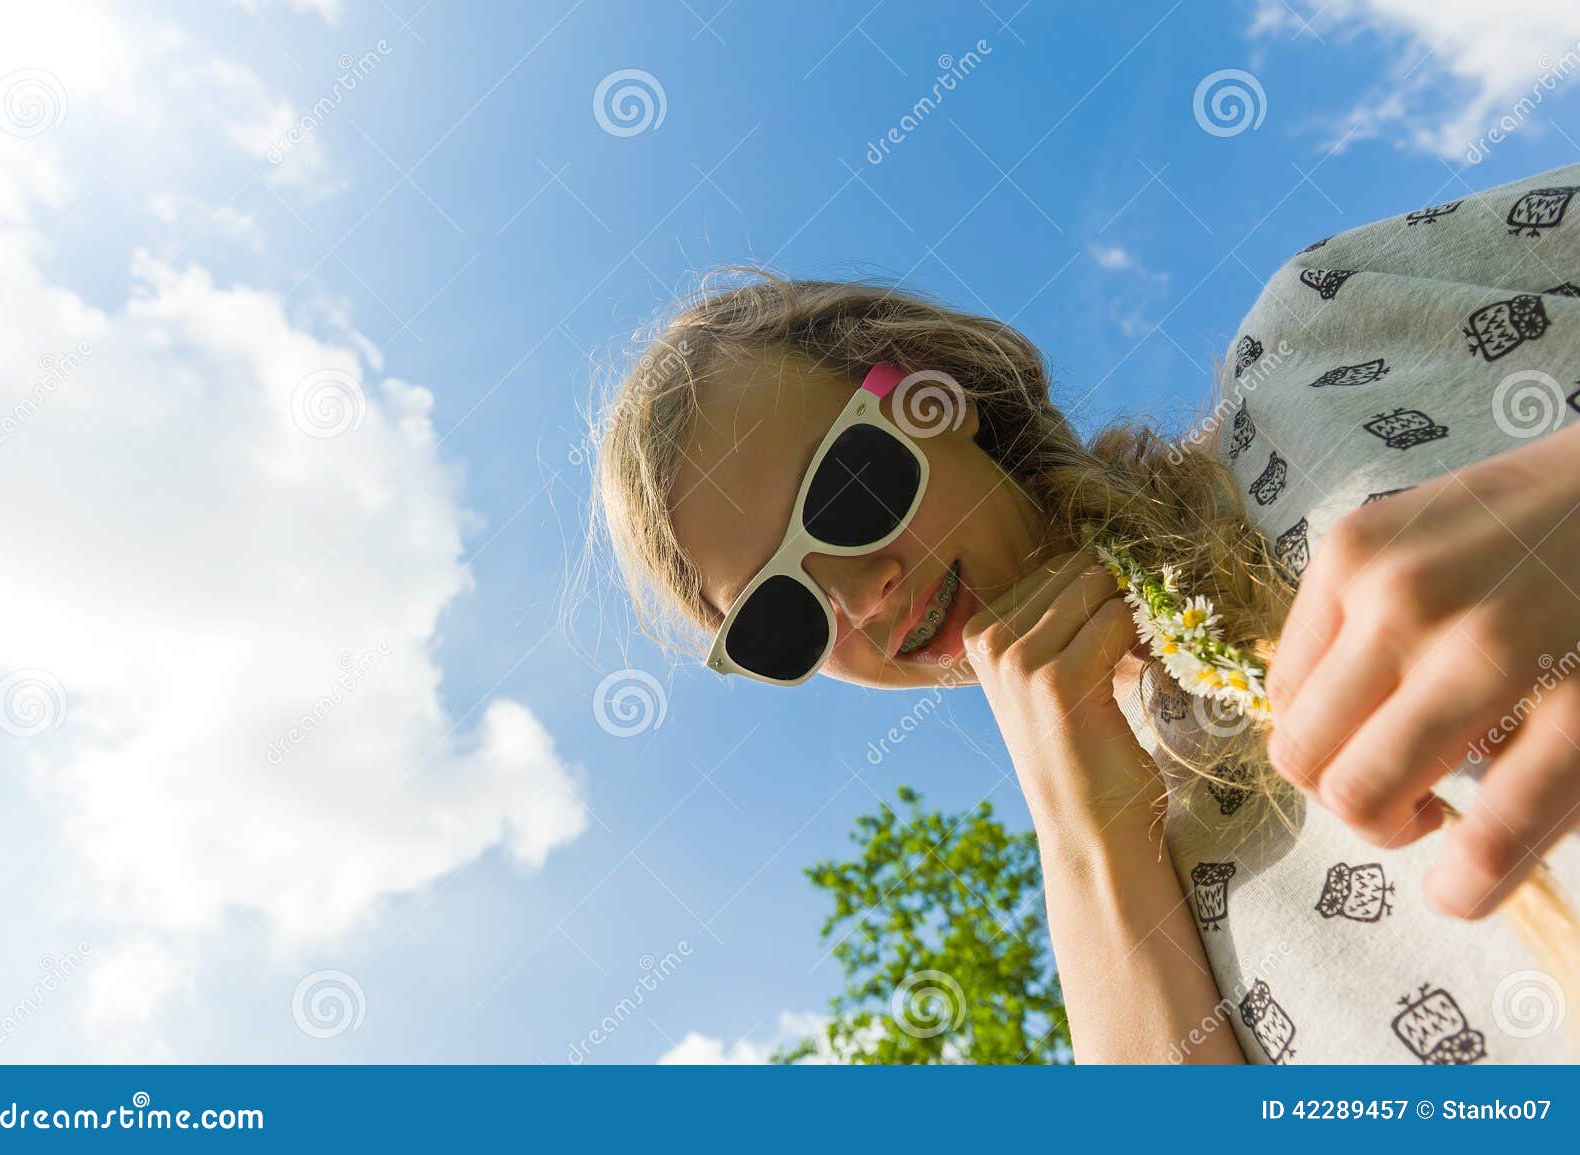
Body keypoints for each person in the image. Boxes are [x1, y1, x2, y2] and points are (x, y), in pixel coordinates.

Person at [587, 163, 1580, 1063]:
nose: (857, 593)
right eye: (781, 614)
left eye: (847, 492)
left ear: (936, 395)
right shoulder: (1122, 912)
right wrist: (1086, 842)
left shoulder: (1326, 329)